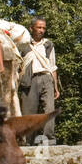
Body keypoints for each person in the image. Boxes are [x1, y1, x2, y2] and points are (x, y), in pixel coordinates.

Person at [19, 16, 60, 144]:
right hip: (29, 81)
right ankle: (28, 142)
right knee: (29, 113)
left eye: (43, 28)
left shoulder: (48, 45)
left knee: (49, 110)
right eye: (39, 27)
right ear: (31, 28)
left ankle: (50, 140)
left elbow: (52, 66)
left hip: (46, 79)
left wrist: (55, 87)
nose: (42, 30)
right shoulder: (23, 45)